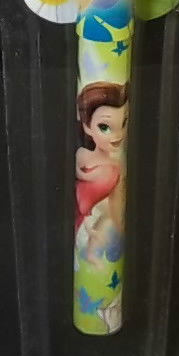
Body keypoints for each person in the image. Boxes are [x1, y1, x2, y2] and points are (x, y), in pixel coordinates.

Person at [74, 81, 129, 262]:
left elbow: (116, 206)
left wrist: (120, 229)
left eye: (124, 123)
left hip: (90, 220)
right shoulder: (83, 155)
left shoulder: (116, 168)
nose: (118, 135)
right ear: (87, 126)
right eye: (104, 127)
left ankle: (93, 255)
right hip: (79, 219)